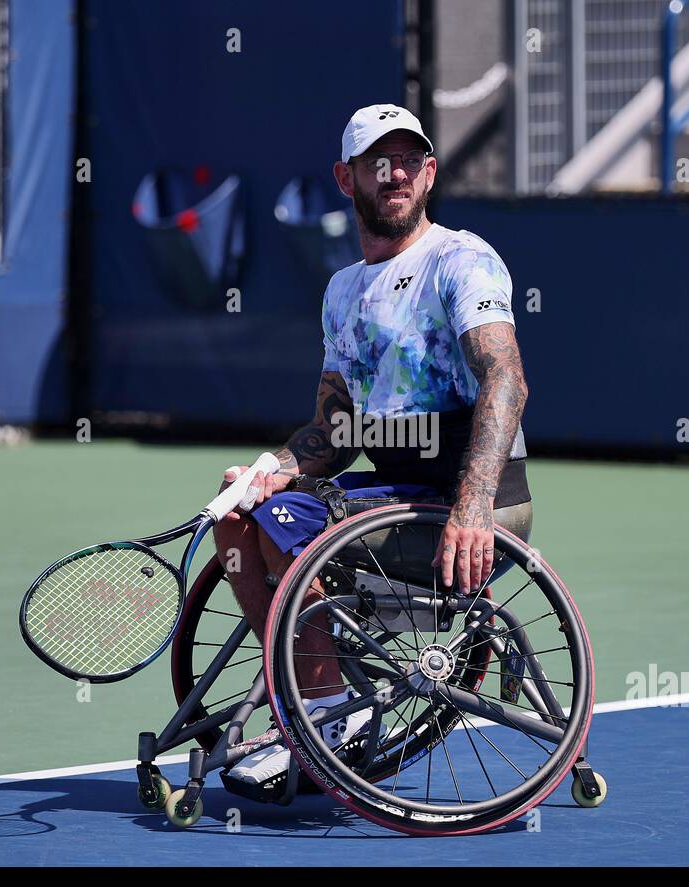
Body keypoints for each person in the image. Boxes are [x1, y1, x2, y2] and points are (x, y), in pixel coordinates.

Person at [214, 103, 531, 790]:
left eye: (409, 158)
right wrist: (269, 472)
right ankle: (311, 694)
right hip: (392, 496)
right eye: (376, 161)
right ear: (345, 177)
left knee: (287, 521)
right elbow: (334, 432)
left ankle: (332, 715)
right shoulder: (342, 292)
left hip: (470, 504)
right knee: (240, 515)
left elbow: (505, 379)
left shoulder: (461, 259)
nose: (395, 173)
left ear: (429, 172)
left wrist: (473, 506)